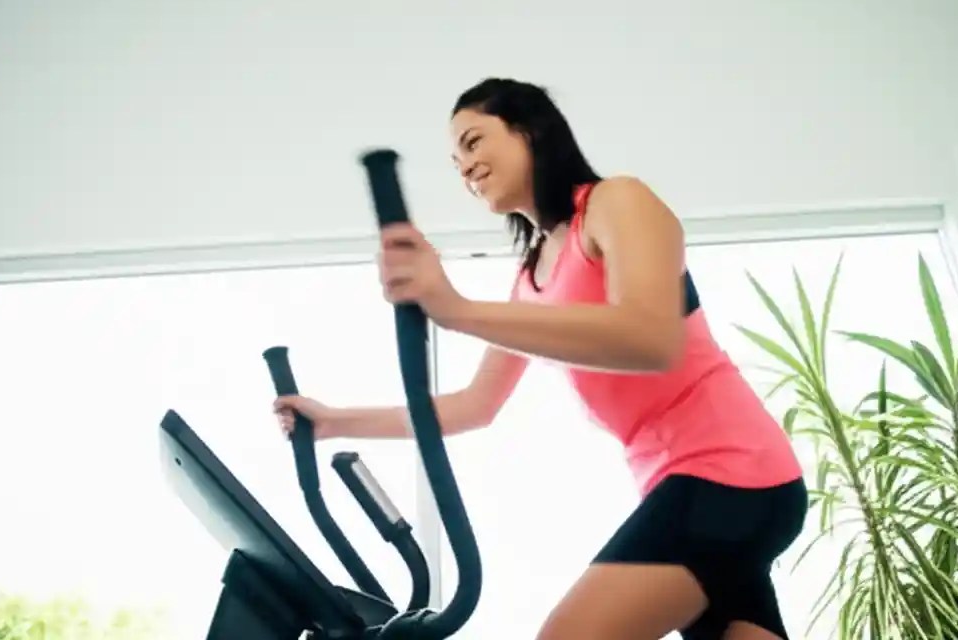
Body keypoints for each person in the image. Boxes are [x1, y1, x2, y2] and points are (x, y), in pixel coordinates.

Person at [273, 78, 808, 640]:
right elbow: (471, 407)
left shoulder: (616, 202)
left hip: (732, 472)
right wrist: (331, 422)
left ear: (529, 128)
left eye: (474, 141)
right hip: (686, 487)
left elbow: (651, 336)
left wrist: (454, 308)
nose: (465, 166)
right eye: (455, 160)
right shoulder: (530, 281)